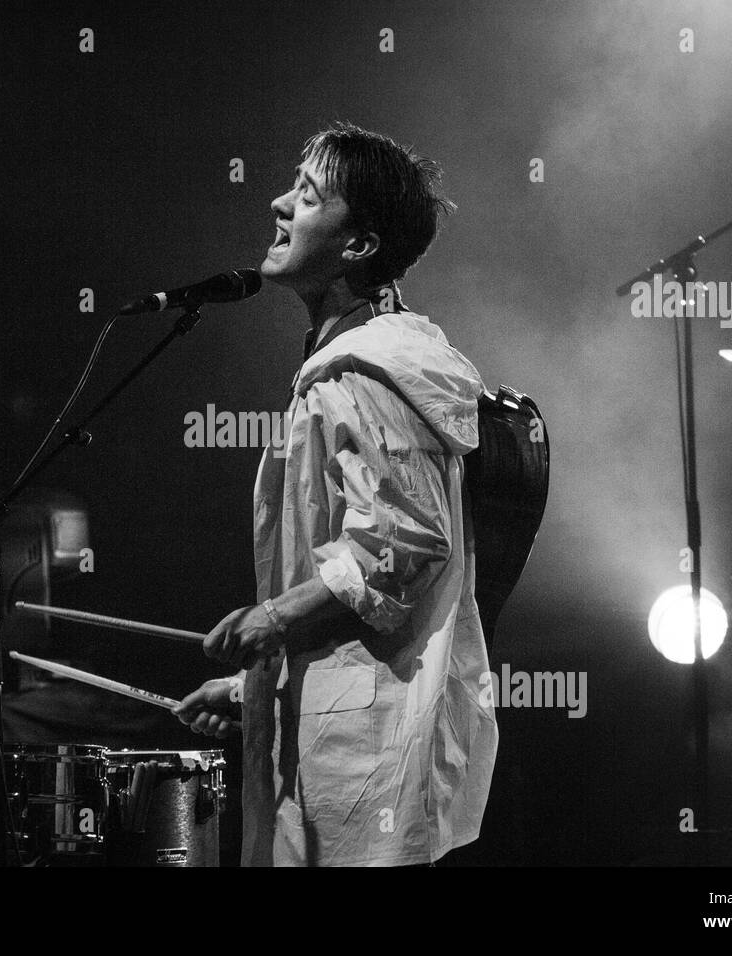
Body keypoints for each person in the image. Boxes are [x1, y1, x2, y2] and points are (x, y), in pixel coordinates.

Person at [173, 122, 498, 866]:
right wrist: (258, 689)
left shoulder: (360, 371)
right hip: (353, 732)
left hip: (365, 762)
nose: (279, 204)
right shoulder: (370, 358)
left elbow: (404, 542)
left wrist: (276, 617)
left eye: (308, 195)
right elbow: (361, 575)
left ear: (359, 246)